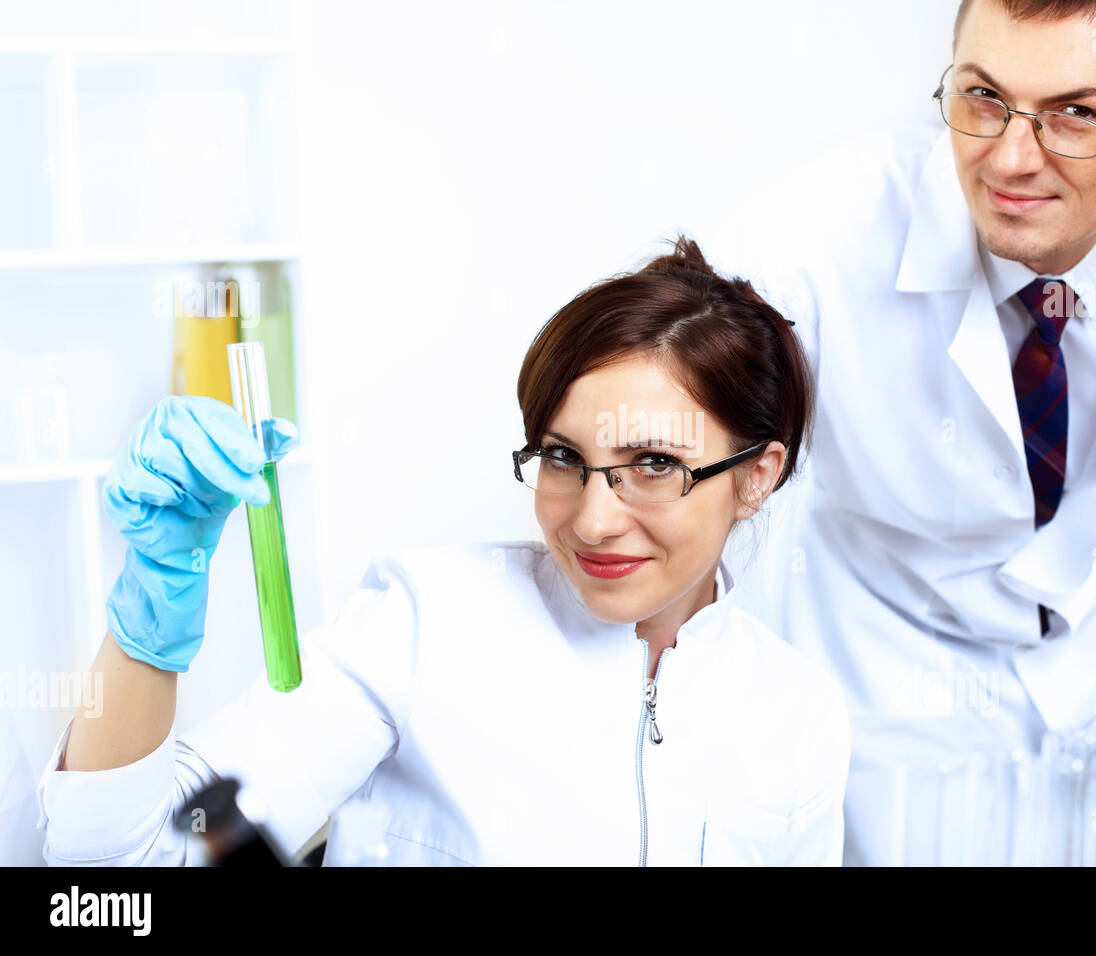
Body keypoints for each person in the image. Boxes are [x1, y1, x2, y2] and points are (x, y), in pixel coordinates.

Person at [36, 237, 850, 867]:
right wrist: (148, 621)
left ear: (757, 477)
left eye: (654, 464)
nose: (594, 521)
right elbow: (131, 866)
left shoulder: (798, 716)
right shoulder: (426, 626)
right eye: (563, 457)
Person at [699, 0, 1096, 864]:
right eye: (982, 98)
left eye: (1076, 114)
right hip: (894, 685)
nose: (1012, 158)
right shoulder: (815, 243)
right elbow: (682, 444)